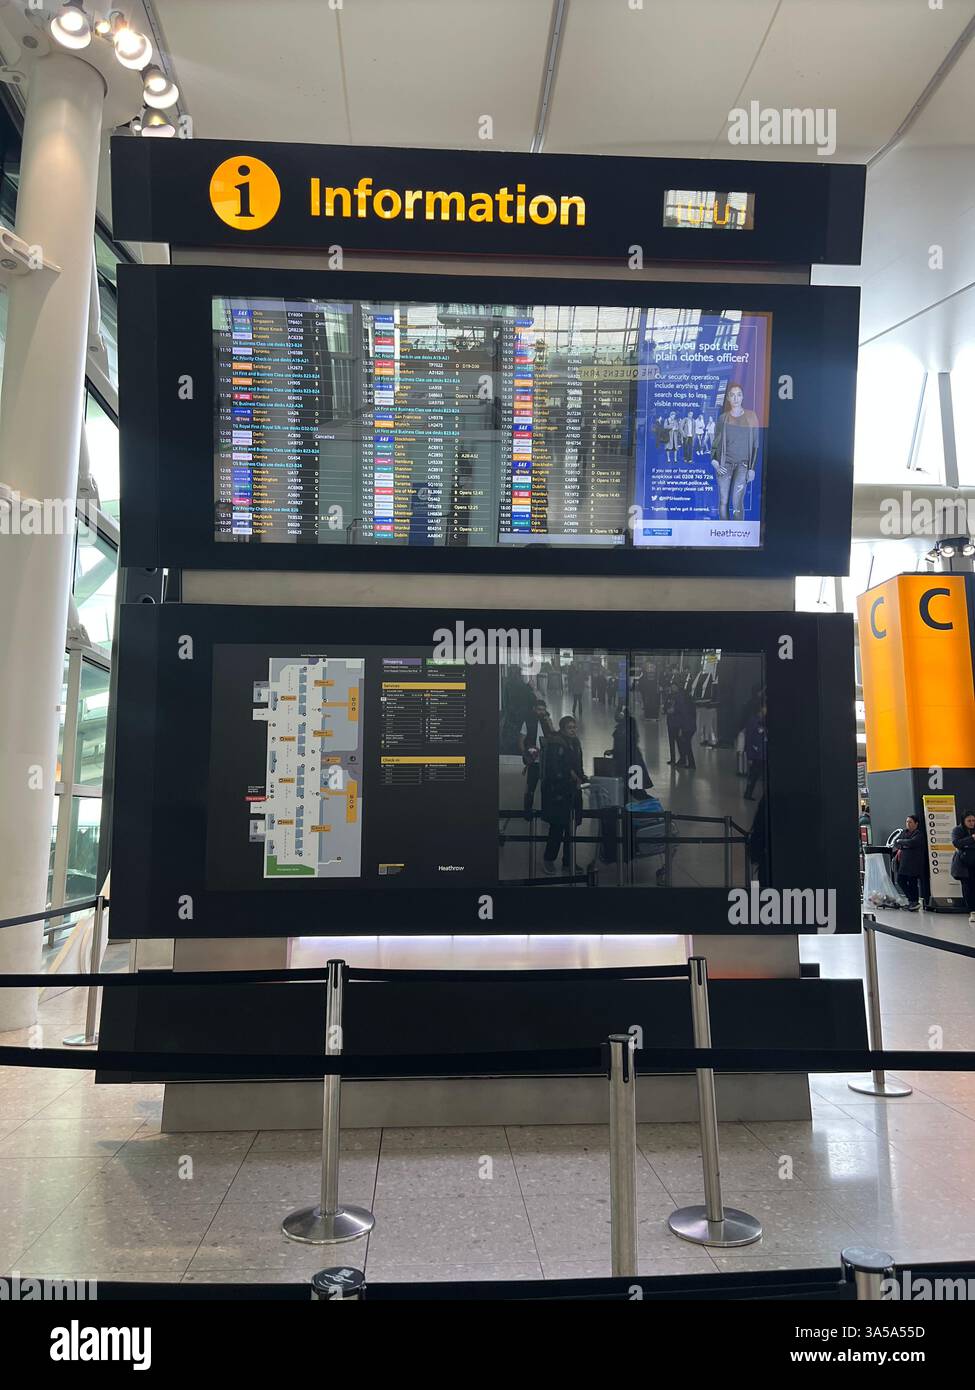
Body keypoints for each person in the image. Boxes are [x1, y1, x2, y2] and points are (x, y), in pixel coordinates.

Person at [540, 714, 585, 874]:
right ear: (563, 729)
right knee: (557, 828)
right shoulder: (556, 745)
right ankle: (549, 859)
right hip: (559, 793)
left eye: (574, 727)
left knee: (571, 829)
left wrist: (582, 777)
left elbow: (578, 764)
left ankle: (568, 861)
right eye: (570, 728)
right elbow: (553, 769)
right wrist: (569, 776)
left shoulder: (575, 743)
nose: (573, 731)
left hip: (573, 792)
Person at [711, 382, 759, 521]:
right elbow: (715, 443)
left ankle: (737, 535)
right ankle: (724, 533)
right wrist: (715, 462)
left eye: (738, 395)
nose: (736, 398)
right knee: (723, 501)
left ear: (743, 397)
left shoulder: (751, 417)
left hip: (743, 465)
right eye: (732, 395)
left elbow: (756, 444)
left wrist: (752, 468)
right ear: (728, 398)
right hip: (725, 465)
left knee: (737, 502)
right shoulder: (722, 418)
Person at [518, 698, 553, 818]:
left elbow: (554, 737)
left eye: (543, 710)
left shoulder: (547, 722)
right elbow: (521, 740)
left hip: (547, 760)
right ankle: (527, 811)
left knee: (547, 788)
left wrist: (550, 724)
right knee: (531, 787)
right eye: (539, 709)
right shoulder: (527, 722)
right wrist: (525, 755)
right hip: (533, 761)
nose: (541, 712)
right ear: (534, 709)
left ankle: (546, 811)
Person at [891, 813, 925, 911]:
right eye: (907, 822)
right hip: (903, 863)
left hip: (914, 863)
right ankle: (912, 901)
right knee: (901, 881)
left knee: (912, 882)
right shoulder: (904, 832)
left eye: (910, 822)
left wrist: (903, 843)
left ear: (916, 824)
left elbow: (912, 843)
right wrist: (904, 844)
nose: (908, 824)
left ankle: (914, 902)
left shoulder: (918, 834)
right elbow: (896, 842)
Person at [950, 811, 975, 924]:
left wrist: (966, 845)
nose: (971, 823)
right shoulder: (957, 830)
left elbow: (962, 844)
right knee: (967, 888)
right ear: (964, 821)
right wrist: (972, 839)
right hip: (963, 865)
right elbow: (956, 843)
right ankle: (972, 911)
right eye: (969, 821)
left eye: (973, 820)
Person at [743, 704, 766, 800]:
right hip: (756, 755)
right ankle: (748, 794)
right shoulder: (753, 722)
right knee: (753, 776)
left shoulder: (764, 722)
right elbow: (749, 740)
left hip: (763, 754)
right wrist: (750, 757)